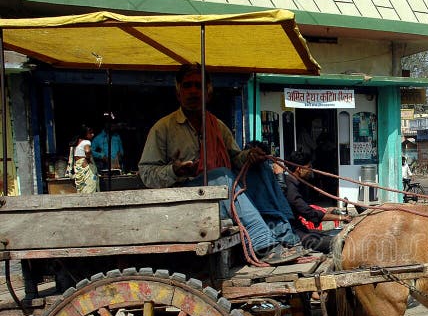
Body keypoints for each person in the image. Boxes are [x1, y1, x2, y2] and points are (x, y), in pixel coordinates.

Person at [138, 63, 304, 265]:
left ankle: (287, 234)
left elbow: (235, 159)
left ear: (208, 93)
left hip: (218, 196)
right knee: (222, 177)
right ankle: (263, 245)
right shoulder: (163, 128)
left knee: (260, 169)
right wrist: (174, 170)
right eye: (187, 86)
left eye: (198, 86)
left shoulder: (217, 125)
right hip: (184, 201)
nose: (193, 91)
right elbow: (146, 174)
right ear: (178, 92)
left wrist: (250, 156)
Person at [284, 149, 351, 253]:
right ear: (299, 169)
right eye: (309, 167)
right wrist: (341, 217)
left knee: (330, 234)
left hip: (298, 228)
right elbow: (308, 213)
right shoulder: (291, 188)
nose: (311, 170)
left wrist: (327, 212)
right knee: (339, 242)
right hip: (292, 232)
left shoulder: (296, 184)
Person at [71, 124, 99, 193]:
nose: (93, 134)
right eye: (90, 133)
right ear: (85, 134)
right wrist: (87, 159)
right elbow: (87, 151)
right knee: (90, 192)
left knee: (82, 192)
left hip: (79, 170)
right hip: (87, 171)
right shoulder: (86, 142)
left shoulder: (76, 144)